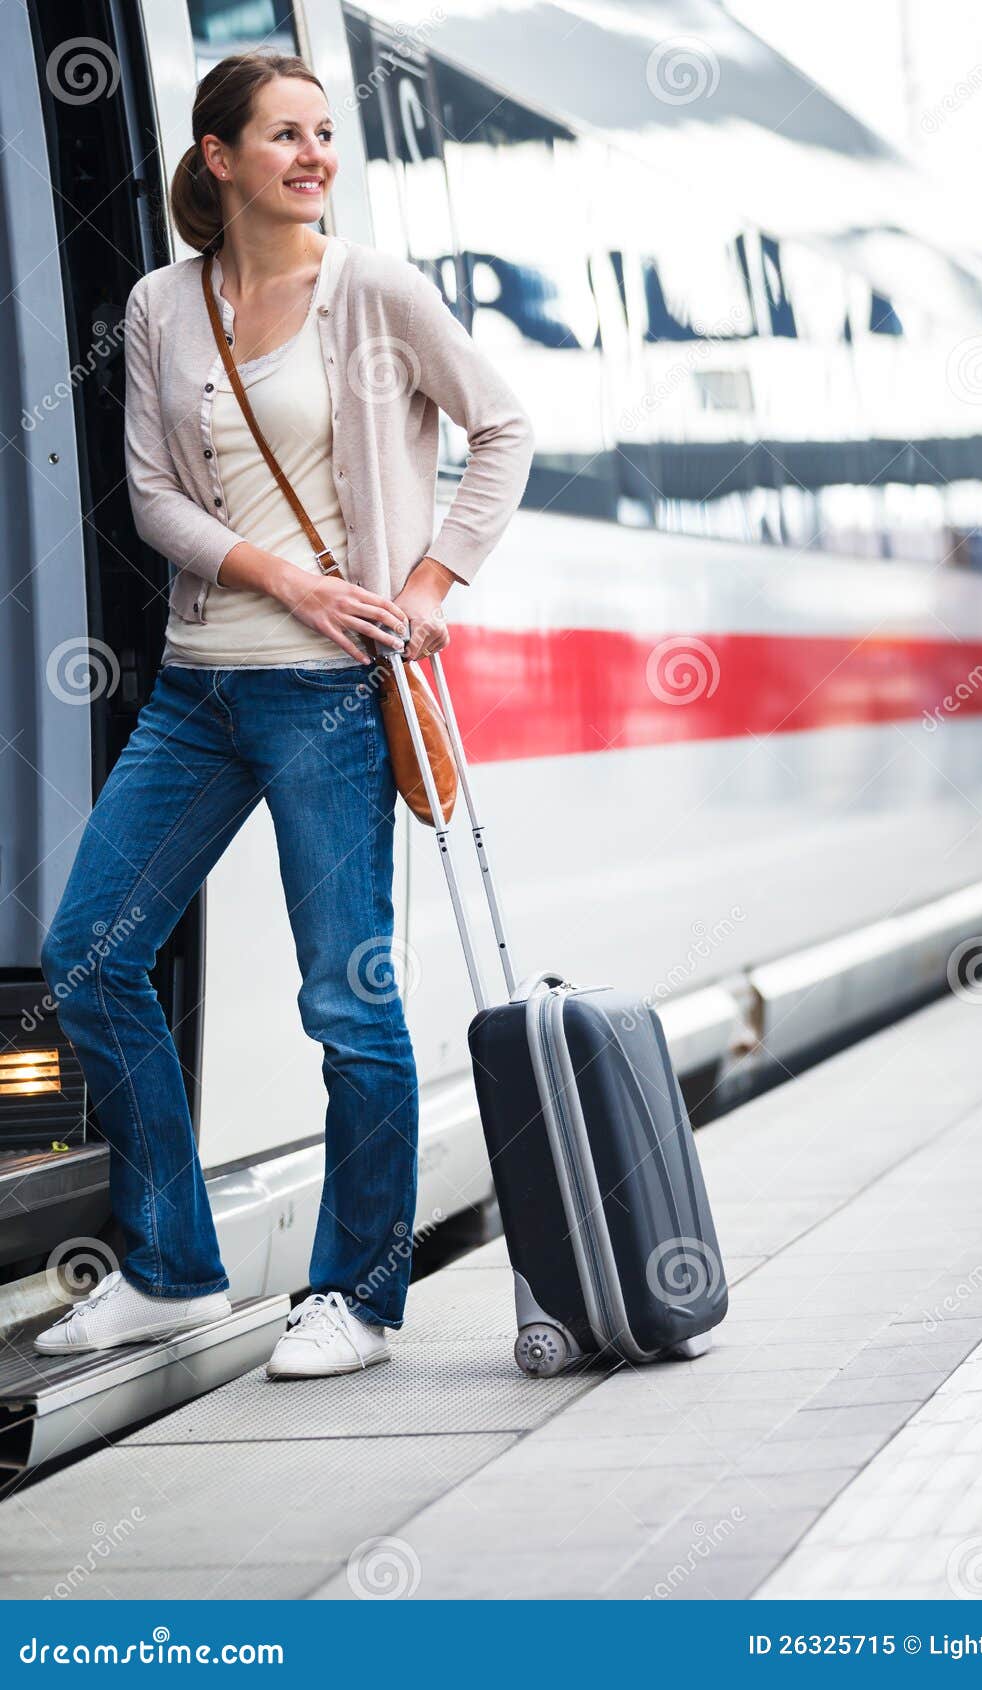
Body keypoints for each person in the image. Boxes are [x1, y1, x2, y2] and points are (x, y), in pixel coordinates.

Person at [35, 50, 534, 1377]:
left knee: (348, 996)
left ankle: (359, 1297)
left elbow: (505, 428)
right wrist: (287, 580)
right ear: (219, 156)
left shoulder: (375, 290)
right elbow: (153, 497)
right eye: (284, 134)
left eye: (325, 134)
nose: (314, 154)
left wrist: (426, 583)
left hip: (329, 699)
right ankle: (172, 1270)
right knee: (89, 952)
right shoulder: (161, 303)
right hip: (203, 684)